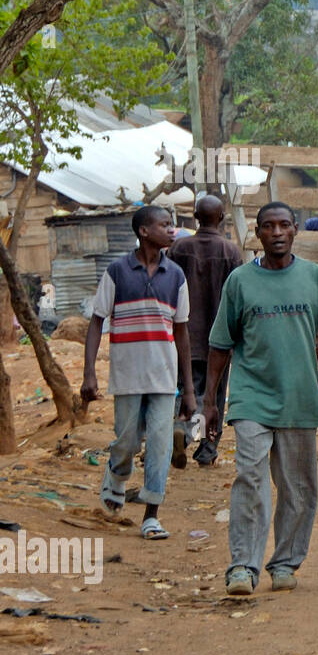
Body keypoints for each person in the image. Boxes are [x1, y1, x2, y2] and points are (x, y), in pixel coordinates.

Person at [204, 201, 318, 596]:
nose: (276, 233)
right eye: (268, 226)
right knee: (249, 479)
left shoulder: (315, 278)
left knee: (297, 486)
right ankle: (242, 566)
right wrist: (209, 400)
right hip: (251, 396)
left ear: (294, 231)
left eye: (284, 225)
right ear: (257, 233)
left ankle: (285, 561)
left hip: (299, 397)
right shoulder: (239, 282)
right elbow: (221, 344)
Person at [81, 205, 196, 542]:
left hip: (163, 376)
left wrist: (187, 388)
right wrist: (90, 373)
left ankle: (151, 515)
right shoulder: (117, 271)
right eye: (165, 225)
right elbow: (96, 321)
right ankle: (117, 475)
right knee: (128, 440)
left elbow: (182, 332)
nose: (172, 230)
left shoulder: (175, 275)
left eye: (172, 225)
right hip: (128, 374)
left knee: (160, 445)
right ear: (144, 231)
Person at [168, 193, 243, 466]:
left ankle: (181, 429)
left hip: (182, 336)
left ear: (196, 217)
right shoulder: (231, 252)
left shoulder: (178, 248)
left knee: (186, 388)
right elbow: (239, 297)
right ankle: (205, 448)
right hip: (218, 340)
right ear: (221, 217)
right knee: (212, 394)